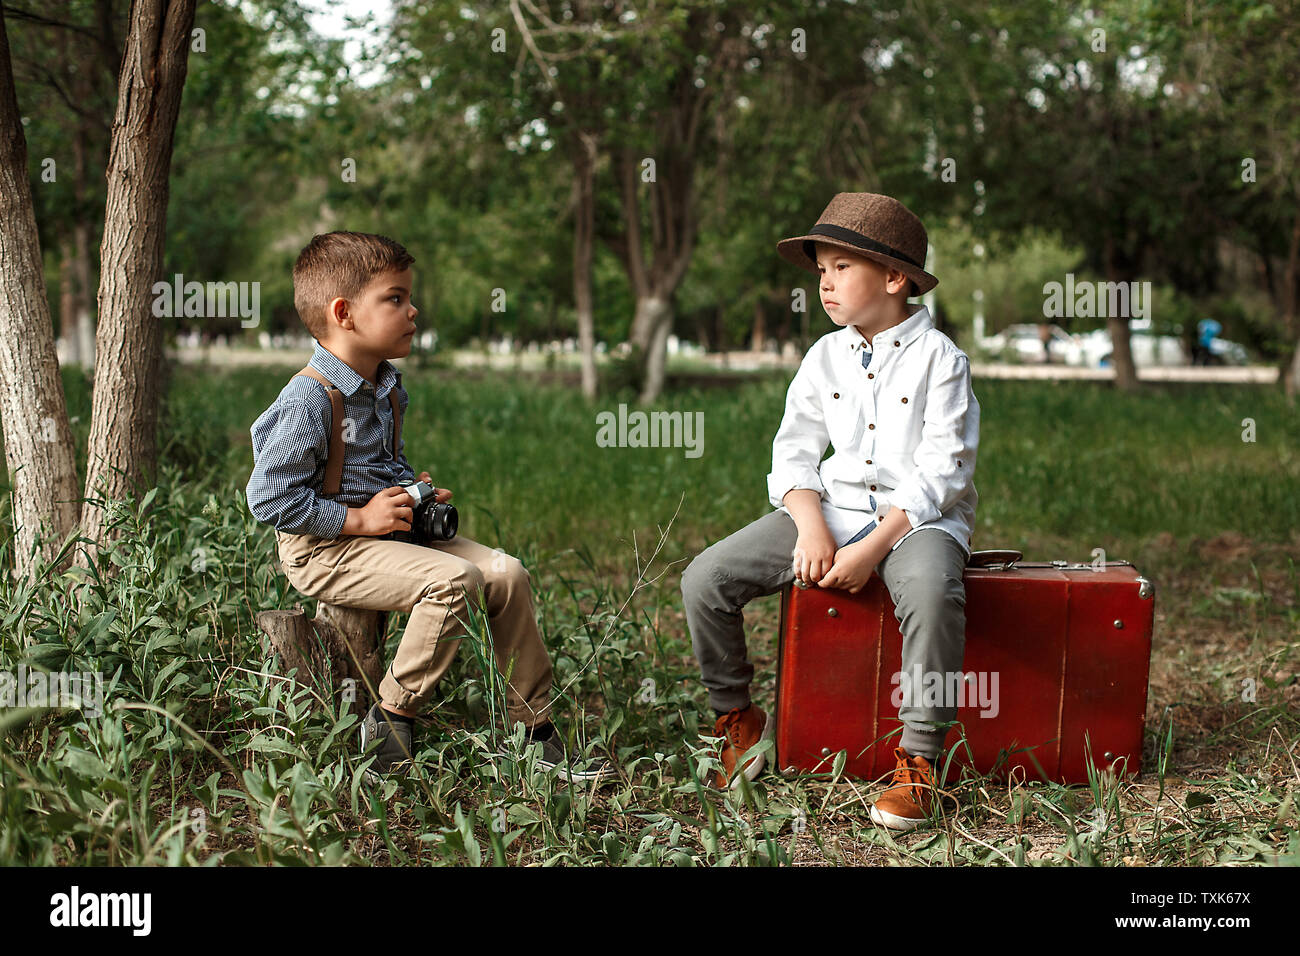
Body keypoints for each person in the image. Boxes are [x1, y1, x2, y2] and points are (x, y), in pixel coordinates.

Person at [246, 231, 614, 786]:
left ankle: (532, 731)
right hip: (325, 549)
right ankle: (390, 720)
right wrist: (358, 519)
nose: (412, 309)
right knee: (455, 581)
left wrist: (409, 490)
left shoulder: (388, 387)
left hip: (383, 537)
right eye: (395, 298)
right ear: (344, 313)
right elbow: (267, 497)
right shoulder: (311, 398)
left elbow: (373, 464)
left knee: (506, 573)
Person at [680, 193, 980, 830]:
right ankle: (738, 715)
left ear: (894, 279)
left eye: (841, 267)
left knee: (931, 592)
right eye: (821, 271)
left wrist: (872, 549)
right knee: (704, 579)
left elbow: (943, 471)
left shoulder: (942, 361)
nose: (825, 282)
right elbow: (793, 451)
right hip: (833, 509)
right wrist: (811, 523)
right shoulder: (824, 356)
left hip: (916, 520)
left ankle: (923, 759)